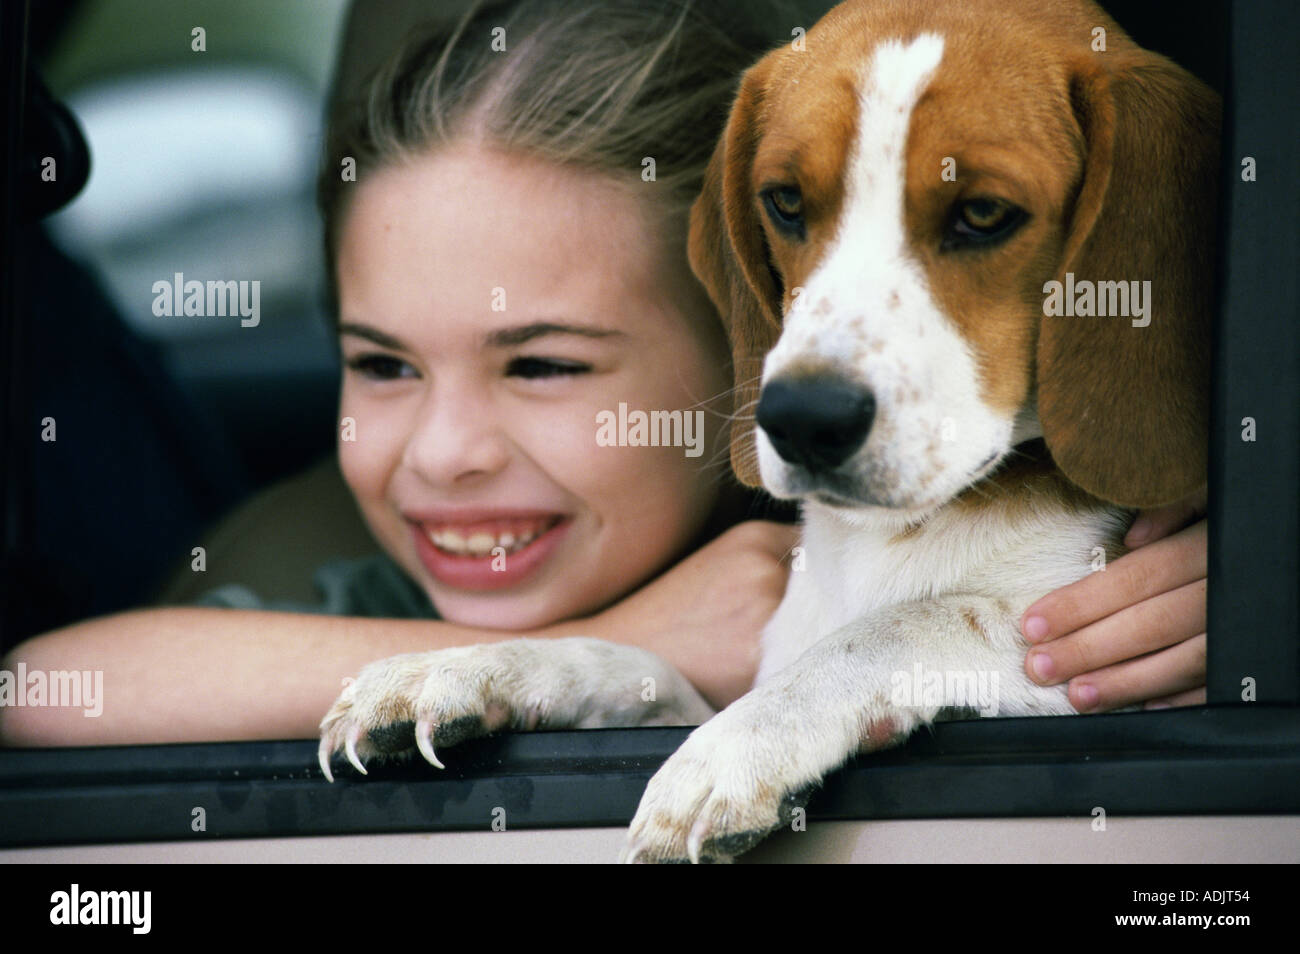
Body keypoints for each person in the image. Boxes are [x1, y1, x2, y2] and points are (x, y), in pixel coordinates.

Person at [0, 0, 1207, 749]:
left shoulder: (887, 521)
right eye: (379, 363)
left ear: (737, 325)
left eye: (541, 363)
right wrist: (622, 649)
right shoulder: (371, 590)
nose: (446, 452)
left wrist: (1224, 596)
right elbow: (38, 688)